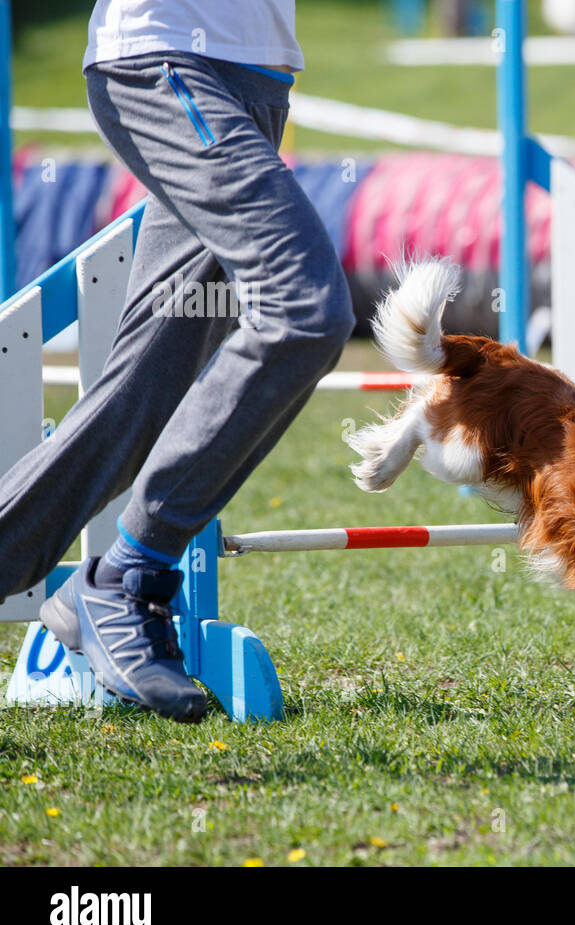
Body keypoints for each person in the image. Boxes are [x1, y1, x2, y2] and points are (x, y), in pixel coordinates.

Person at [0, 1, 355, 721]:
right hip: (165, 63)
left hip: (253, 78)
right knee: (304, 308)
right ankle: (128, 576)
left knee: (147, 383)